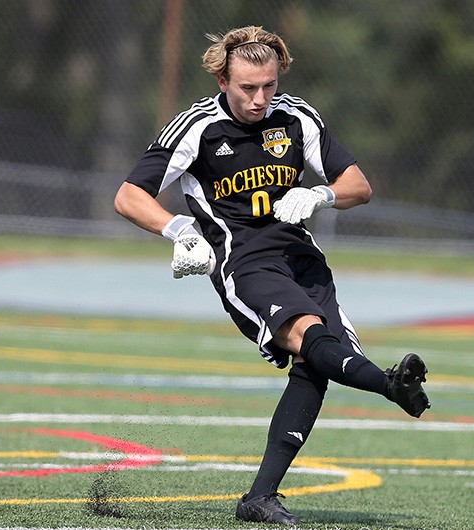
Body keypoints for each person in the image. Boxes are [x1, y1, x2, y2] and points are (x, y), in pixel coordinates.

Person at [113, 25, 430, 526]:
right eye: (248, 88)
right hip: (244, 260)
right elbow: (129, 195)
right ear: (223, 80)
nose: (261, 98)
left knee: (320, 364)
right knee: (311, 336)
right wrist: (181, 230)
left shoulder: (297, 116)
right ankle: (389, 385)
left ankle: (259, 498)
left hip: (302, 257)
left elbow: (359, 185)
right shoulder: (198, 127)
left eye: (269, 85)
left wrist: (322, 194)